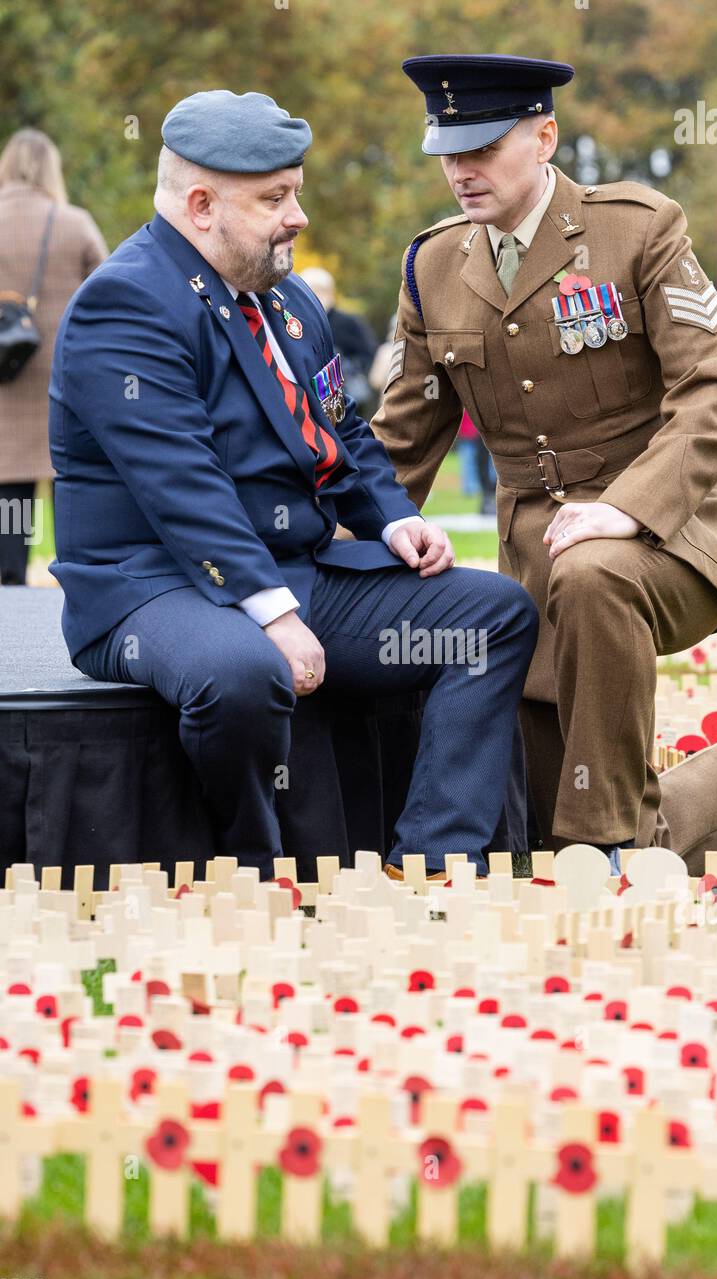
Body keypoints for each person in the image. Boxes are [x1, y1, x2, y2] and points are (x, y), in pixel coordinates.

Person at [48, 89, 538, 882]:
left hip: (294, 573)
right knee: (244, 671)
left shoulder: (287, 299)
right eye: (275, 198)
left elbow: (342, 431)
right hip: (153, 588)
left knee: (492, 618)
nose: (298, 216)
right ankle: (254, 873)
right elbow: (184, 488)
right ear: (201, 205)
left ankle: (434, 863)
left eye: (296, 192)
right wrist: (272, 614)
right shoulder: (127, 302)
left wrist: (390, 522)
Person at [371, 53, 717, 874]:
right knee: (550, 822)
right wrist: (325, 536)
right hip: (536, 567)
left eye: (482, 147)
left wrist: (628, 508)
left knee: (594, 576)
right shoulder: (431, 266)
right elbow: (400, 438)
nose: (458, 170)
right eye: (447, 148)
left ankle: (602, 853)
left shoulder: (637, 228)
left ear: (545, 137)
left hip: (667, 541)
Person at [0, 129, 107, 584]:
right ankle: (80, 578)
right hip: (66, 373)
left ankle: (9, 581)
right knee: (69, 476)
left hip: (6, 374)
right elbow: (111, 294)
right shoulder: (74, 222)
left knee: (13, 486)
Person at [300, 266, 379, 418]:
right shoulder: (298, 322)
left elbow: (369, 353)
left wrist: (347, 368)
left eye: (320, 290)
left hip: (346, 394)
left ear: (330, 293)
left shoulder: (349, 322)